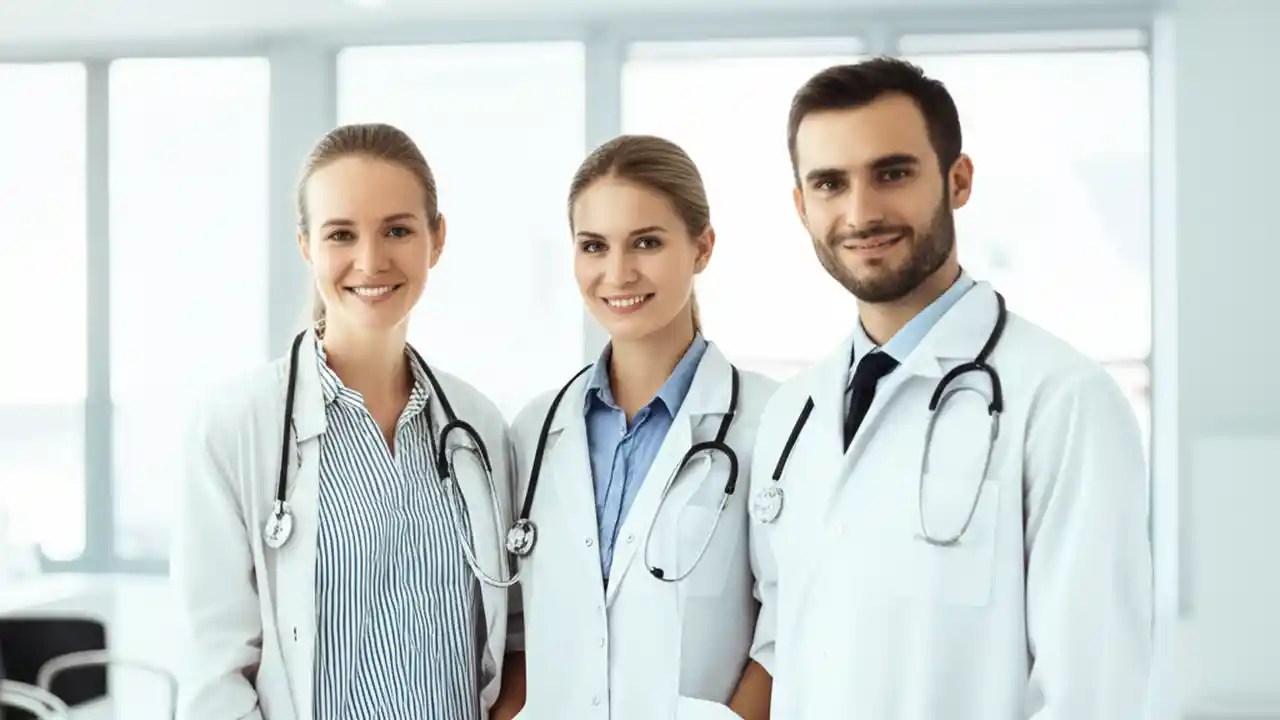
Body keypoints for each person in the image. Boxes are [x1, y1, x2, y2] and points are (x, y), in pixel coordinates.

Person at [747, 58, 1153, 718]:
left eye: (892, 173)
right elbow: (788, 647)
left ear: (957, 180)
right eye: (829, 183)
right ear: (801, 206)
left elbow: (1094, 688)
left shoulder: (1063, 401)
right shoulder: (792, 416)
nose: (861, 212)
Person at [174, 123, 516, 720]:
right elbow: (214, 673)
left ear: (437, 240)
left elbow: (510, 641)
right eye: (341, 234)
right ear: (307, 246)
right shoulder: (233, 428)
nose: (370, 259)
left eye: (398, 230)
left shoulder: (478, 427)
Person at [490, 135, 776, 720]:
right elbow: (514, 630)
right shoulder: (535, 431)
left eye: (646, 242)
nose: (617, 273)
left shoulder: (771, 421)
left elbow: (787, 629)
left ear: (702, 248)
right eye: (594, 246)